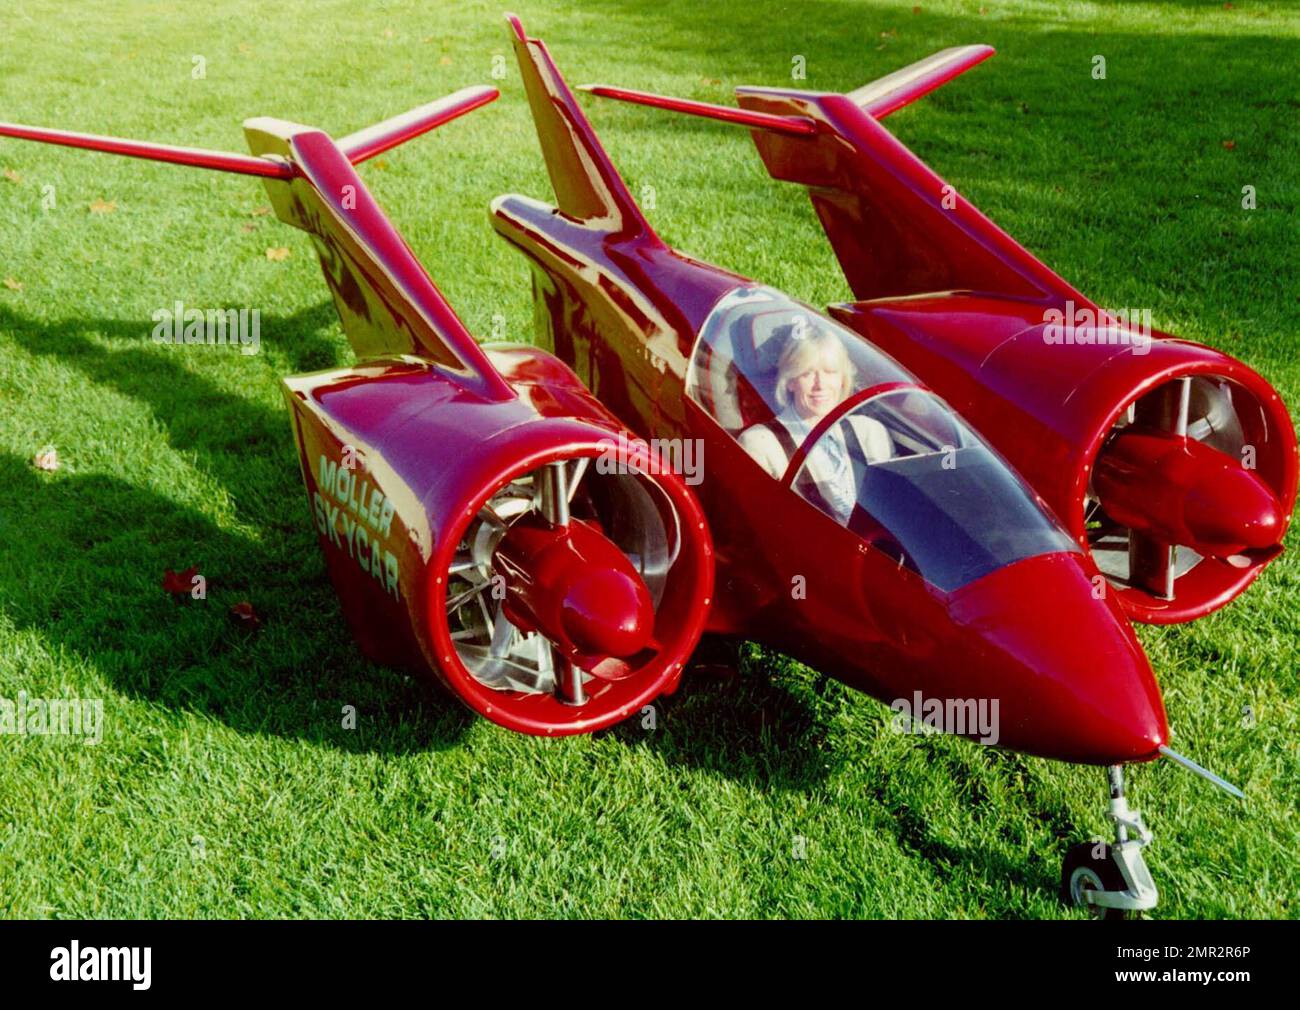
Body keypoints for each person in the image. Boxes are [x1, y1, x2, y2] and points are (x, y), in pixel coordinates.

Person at [739, 317, 892, 524]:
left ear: (842, 379)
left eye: (830, 372)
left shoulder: (871, 433)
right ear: (790, 381)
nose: (820, 385)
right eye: (807, 374)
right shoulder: (761, 445)